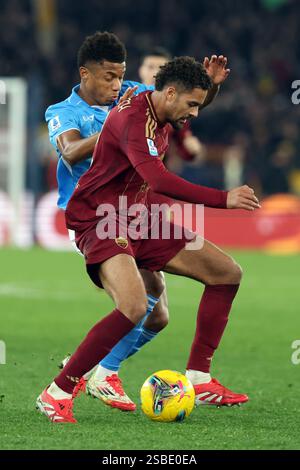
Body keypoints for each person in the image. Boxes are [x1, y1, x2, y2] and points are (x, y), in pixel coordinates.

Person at [37, 56, 260, 423]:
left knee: (226, 273)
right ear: (169, 93)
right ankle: (57, 392)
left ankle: (199, 379)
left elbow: (188, 104)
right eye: (191, 104)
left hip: (140, 213)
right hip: (101, 217)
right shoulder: (132, 119)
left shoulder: (161, 104)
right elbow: (159, 180)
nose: (195, 113)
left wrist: (212, 86)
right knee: (135, 306)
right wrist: (224, 199)